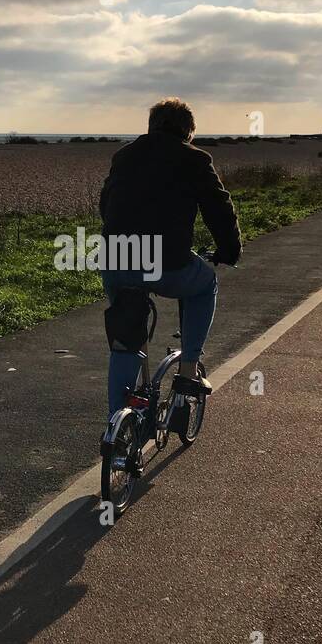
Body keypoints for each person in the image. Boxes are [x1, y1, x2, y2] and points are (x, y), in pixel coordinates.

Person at [98, 98, 242, 420]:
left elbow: (106, 205)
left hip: (117, 260)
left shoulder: (124, 156)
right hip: (166, 264)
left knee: (127, 332)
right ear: (188, 131)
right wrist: (229, 250)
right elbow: (219, 209)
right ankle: (189, 371)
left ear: (151, 126)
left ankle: (118, 423)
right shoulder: (195, 159)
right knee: (205, 284)